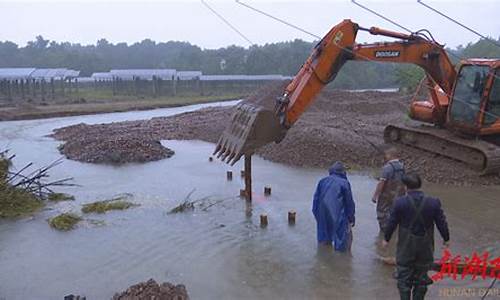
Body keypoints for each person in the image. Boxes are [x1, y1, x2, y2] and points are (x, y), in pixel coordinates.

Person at [382, 172, 450, 300]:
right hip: (425, 249)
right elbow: (442, 223)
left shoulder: (400, 203)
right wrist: (446, 239)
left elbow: (391, 222)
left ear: (406, 187)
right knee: (422, 280)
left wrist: (386, 239)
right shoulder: (433, 202)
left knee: (403, 278)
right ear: (420, 185)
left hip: (406, 249)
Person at [312, 161, 355, 252]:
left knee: (323, 241)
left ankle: (322, 261)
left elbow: (315, 199)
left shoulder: (322, 181)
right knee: (341, 243)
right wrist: (351, 219)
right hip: (338, 213)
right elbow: (349, 202)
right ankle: (341, 262)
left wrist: (317, 215)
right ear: (343, 172)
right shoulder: (344, 183)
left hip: (322, 213)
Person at [372, 147, 405, 232]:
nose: (385, 156)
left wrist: (375, 196)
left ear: (390, 155)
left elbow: (381, 183)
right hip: (399, 195)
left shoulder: (387, 168)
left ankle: (384, 232)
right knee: (394, 212)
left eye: (386, 155)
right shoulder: (402, 166)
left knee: (382, 213)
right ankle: (393, 230)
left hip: (386, 196)